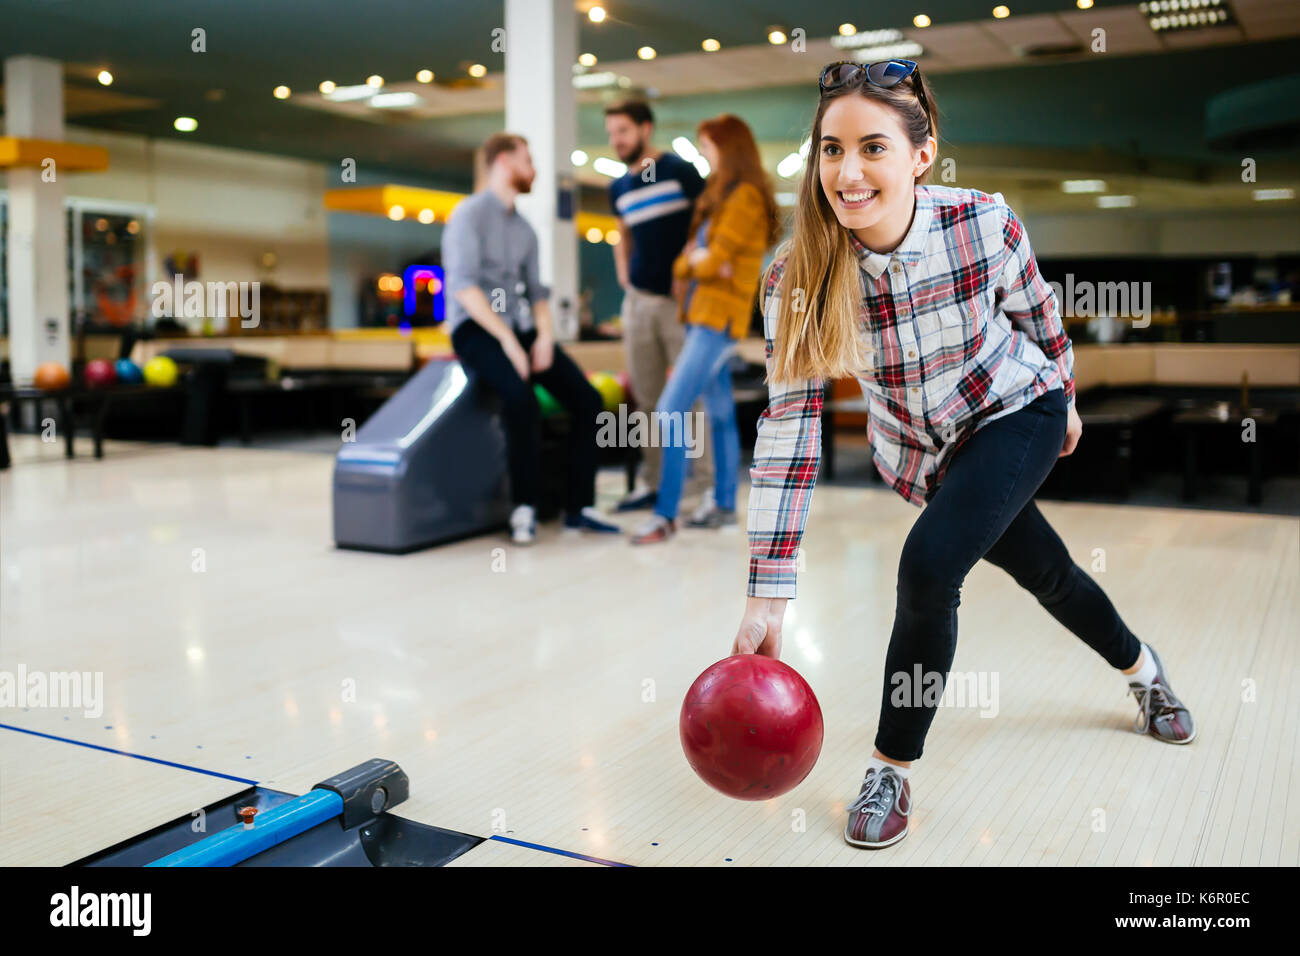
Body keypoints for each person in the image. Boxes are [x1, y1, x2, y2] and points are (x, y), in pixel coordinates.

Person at [731, 60, 1196, 850]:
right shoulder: (796, 275)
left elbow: (1040, 314)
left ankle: (891, 767)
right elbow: (789, 430)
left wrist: (1070, 394)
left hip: (1019, 408)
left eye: (872, 147)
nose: (847, 172)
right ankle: (1144, 671)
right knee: (1048, 572)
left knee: (928, 566)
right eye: (831, 149)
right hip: (922, 455)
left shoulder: (982, 223)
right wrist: (768, 594)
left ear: (921, 154)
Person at [442, 132, 621, 544]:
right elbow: (465, 288)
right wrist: (508, 342)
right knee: (519, 398)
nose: (534, 169)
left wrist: (542, 337)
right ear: (504, 162)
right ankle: (525, 508)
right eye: (528, 160)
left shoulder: (525, 230)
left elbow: (537, 294)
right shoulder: (467, 216)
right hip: (476, 329)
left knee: (588, 400)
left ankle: (579, 507)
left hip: (521, 329)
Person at [630, 114, 780, 543]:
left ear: (728, 149)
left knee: (670, 409)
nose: (704, 156)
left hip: (718, 321)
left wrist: (703, 257)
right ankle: (725, 505)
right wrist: (699, 257)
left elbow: (710, 262)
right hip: (702, 314)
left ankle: (666, 513)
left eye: (709, 148)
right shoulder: (722, 196)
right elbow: (689, 260)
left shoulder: (746, 197)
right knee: (717, 414)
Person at [605, 100, 713, 515]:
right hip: (639, 304)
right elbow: (623, 235)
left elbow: (705, 222)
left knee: (690, 396)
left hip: (680, 304)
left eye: (624, 132)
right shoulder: (619, 188)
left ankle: (704, 488)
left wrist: (687, 268)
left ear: (645, 129)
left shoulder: (679, 172)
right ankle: (652, 485)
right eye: (612, 133)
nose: (617, 141)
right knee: (647, 399)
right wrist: (623, 273)